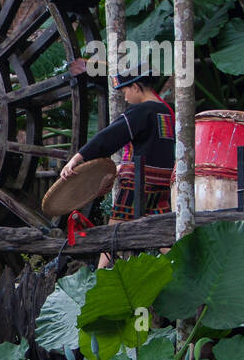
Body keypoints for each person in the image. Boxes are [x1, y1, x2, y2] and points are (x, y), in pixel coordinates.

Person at [60, 69, 175, 265]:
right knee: (159, 231)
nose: (126, 97)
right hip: (162, 184)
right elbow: (155, 149)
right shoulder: (168, 111)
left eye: (125, 91)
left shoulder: (140, 111)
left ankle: (101, 278)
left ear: (136, 87)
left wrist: (77, 158)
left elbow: (108, 137)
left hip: (138, 184)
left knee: (114, 232)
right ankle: (182, 264)